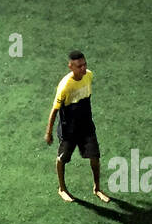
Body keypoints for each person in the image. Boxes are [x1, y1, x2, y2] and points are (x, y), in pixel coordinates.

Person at [44, 50, 111, 203]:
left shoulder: (89, 75)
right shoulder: (65, 86)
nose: (83, 68)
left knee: (95, 157)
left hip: (86, 125)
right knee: (62, 158)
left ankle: (97, 188)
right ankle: (62, 188)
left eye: (84, 64)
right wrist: (48, 132)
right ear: (70, 66)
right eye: (79, 66)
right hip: (69, 130)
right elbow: (54, 110)